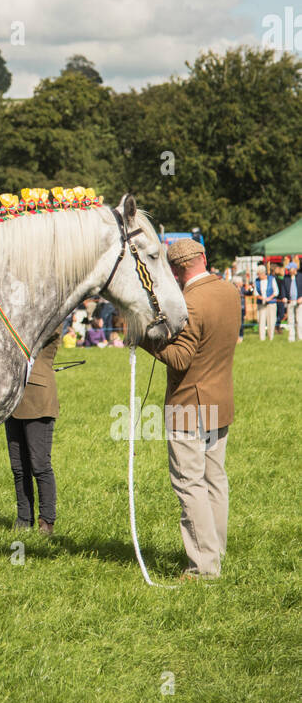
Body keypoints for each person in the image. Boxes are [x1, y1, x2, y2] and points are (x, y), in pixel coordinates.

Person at [140, 238, 239, 579]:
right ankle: (215, 551)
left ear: (175, 270)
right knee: (215, 480)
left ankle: (203, 567)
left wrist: (144, 338)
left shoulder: (190, 302)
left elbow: (180, 358)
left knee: (189, 484)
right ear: (204, 258)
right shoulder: (230, 291)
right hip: (220, 398)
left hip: (189, 406)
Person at [4, 330, 61, 536]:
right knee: (19, 467)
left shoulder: (50, 319)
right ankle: (23, 519)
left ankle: (46, 521)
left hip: (38, 399)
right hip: (13, 398)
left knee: (40, 465)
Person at [253, 264, 279, 340]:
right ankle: (262, 338)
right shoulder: (256, 281)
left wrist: (269, 298)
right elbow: (255, 293)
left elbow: (276, 291)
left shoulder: (272, 279)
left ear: (263, 273)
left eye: (259, 274)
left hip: (271, 304)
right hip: (261, 304)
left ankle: (271, 337)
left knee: (271, 320)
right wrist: (262, 298)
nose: (258, 275)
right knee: (261, 321)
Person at [279, 259, 302, 342]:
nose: (288, 270)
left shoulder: (300, 276)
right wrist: (284, 297)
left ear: (294, 269)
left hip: (299, 302)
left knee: (299, 320)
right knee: (290, 320)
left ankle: (300, 337)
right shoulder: (286, 278)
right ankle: (291, 337)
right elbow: (283, 289)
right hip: (290, 302)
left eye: (289, 269)